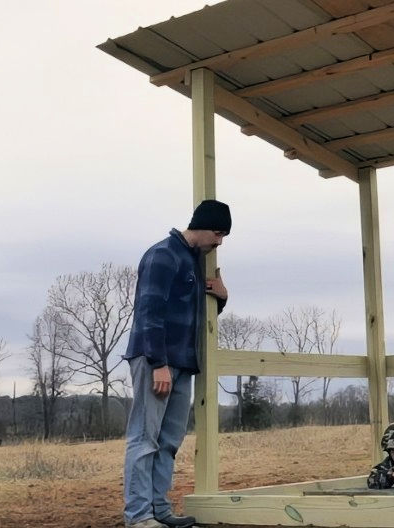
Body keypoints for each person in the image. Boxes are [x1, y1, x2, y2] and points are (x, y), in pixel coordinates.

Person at [122, 200, 231, 528]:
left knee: (169, 441)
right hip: (156, 361)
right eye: (218, 232)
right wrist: (158, 363)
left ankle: (159, 510)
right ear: (203, 224)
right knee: (144, 438)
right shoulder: (162, 255)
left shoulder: (194, 262)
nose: (220, 241)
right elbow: (148, 312)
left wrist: (222, 298)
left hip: (183, 363)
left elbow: (193, 316)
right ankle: (139, 517)